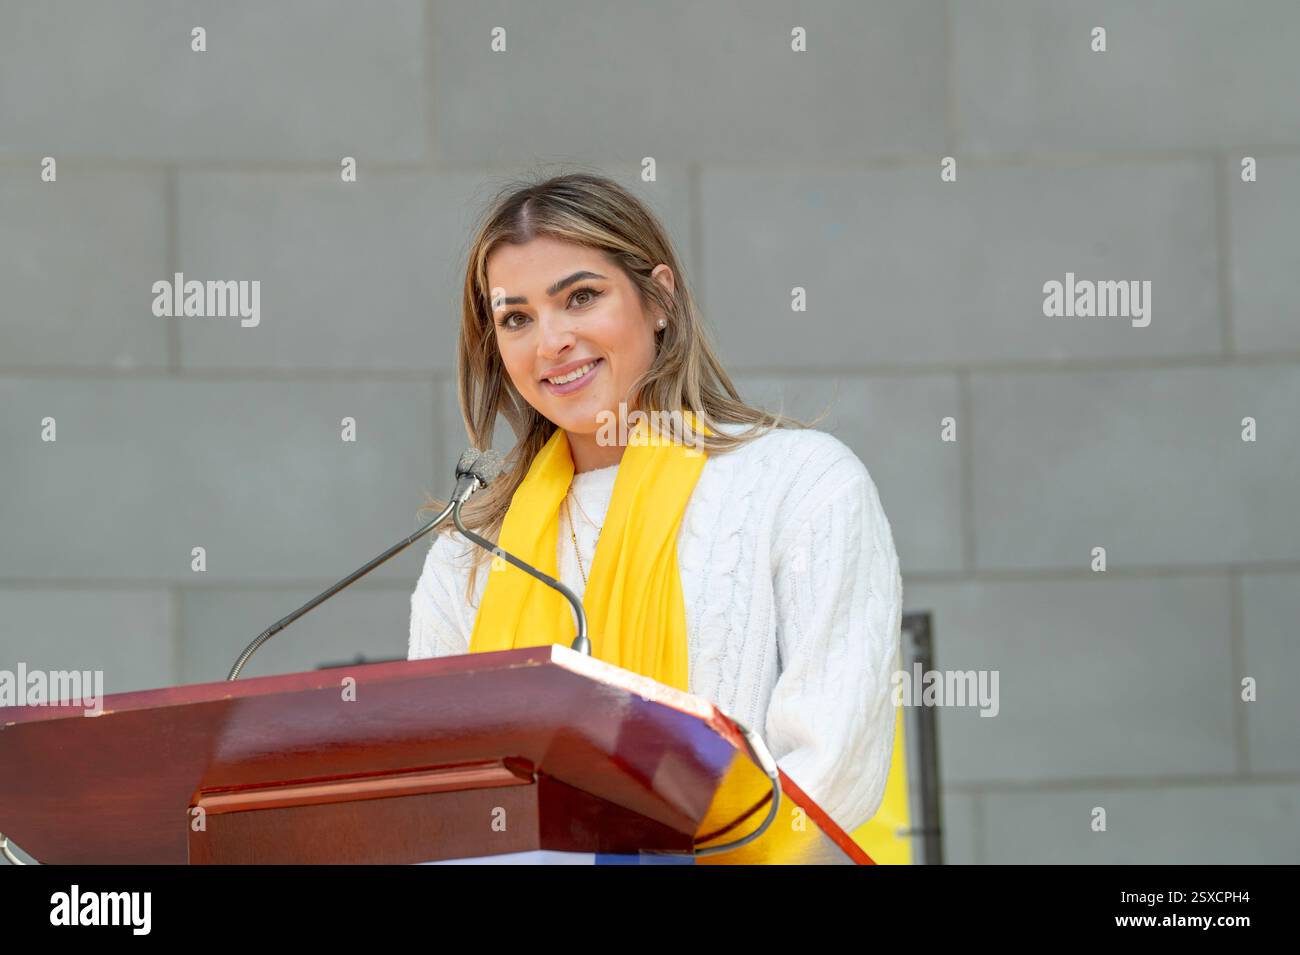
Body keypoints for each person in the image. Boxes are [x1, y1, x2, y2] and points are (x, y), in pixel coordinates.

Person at [408, 171, 902, 836]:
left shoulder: (804, 485)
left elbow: (829, 770)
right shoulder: (469, 552)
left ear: (660, 298)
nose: (550, 341)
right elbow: (441, 796)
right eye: (516, 317)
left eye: (580, 297)